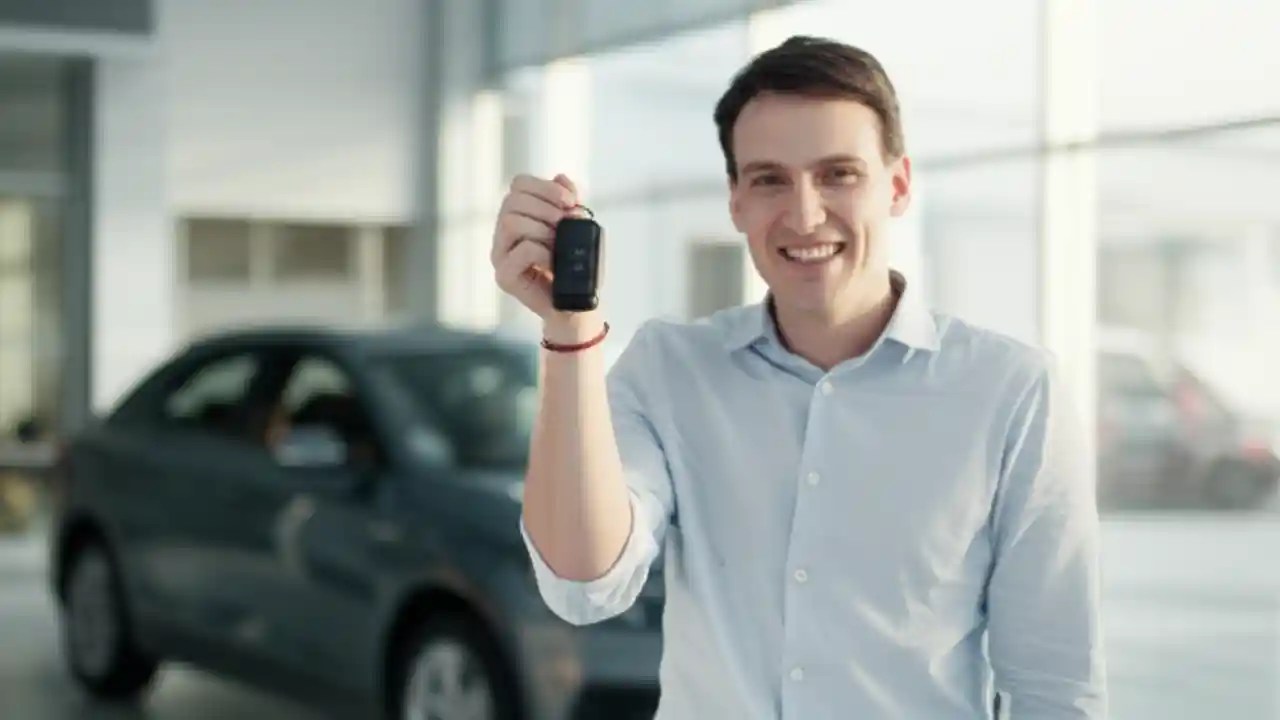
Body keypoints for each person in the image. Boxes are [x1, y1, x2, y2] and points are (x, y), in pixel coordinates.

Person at [492, 35, 1107, 719]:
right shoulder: (669, 369)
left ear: (897, 184)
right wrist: (568, 330)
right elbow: (584, 585)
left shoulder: (1011, 391)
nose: (805, 214)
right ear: (736, 201)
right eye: (769, 179)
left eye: (839, 173)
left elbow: (1054, 682)